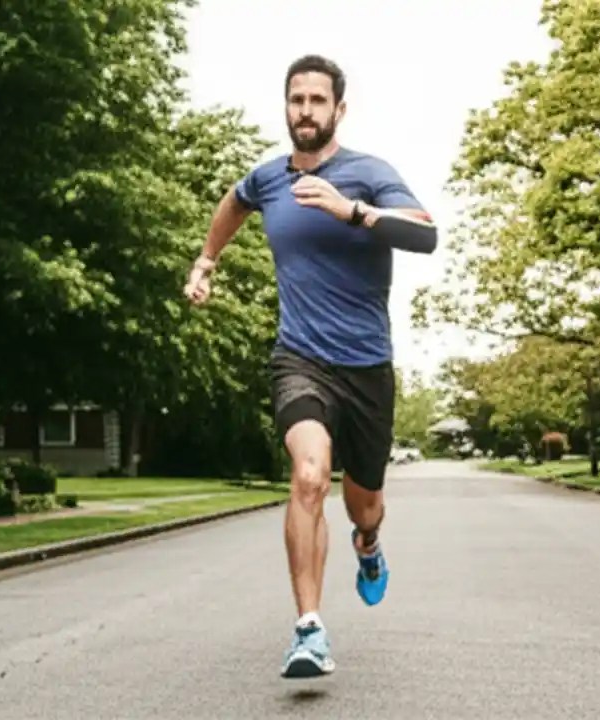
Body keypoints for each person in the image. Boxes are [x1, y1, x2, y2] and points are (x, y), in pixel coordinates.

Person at [182, 54, 437, 679]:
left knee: (364, 506)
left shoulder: (370, 173)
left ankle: (369, 547)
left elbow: (426, 233)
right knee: (308, 474)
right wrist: (206, 261)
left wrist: (351, 210)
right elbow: (232, 205)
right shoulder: (268, 179)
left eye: (317, 101)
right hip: (299, 359)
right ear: (286, 107)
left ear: (338, 110)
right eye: (296, 99)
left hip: (367, 366)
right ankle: (310, 630)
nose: (306, 110)